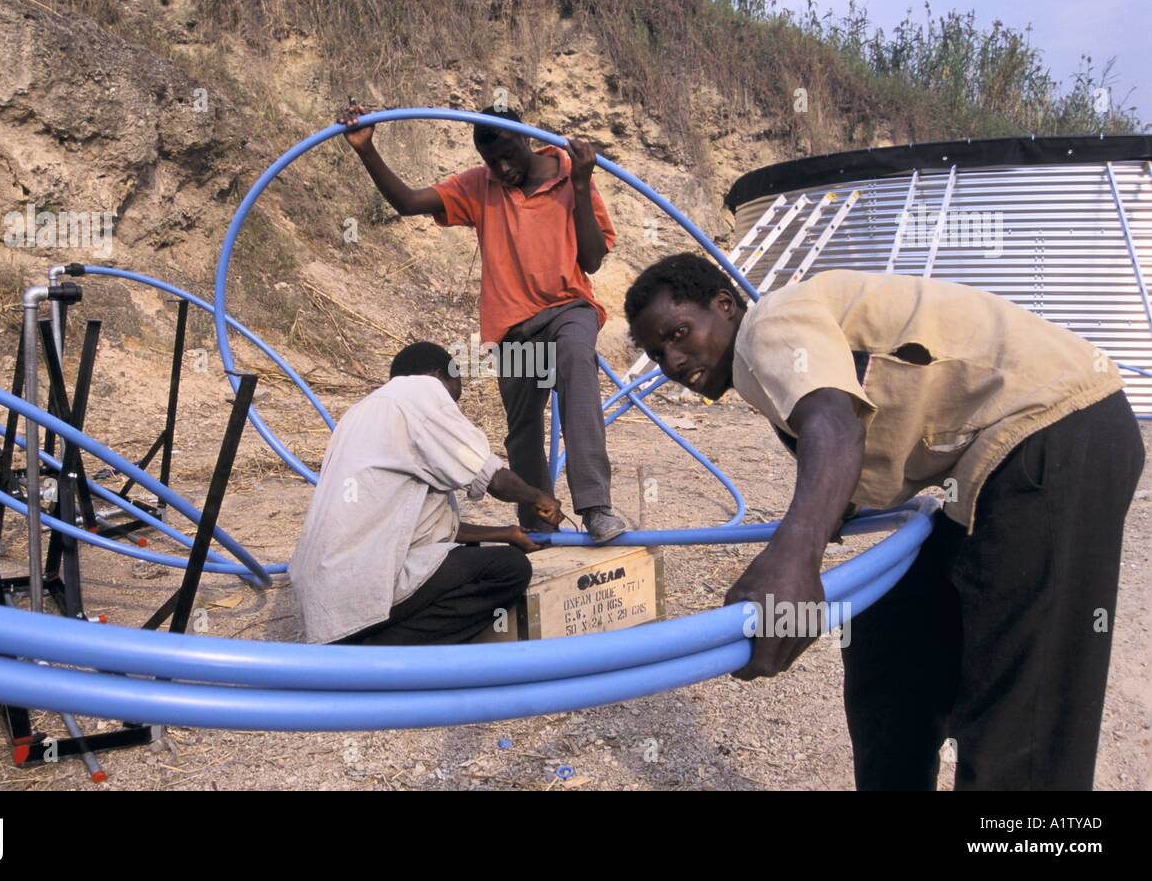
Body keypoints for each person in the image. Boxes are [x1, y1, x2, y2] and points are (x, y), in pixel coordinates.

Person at [624, 253, 1143, 790]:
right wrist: (818, 531)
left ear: (724, 306)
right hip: (1003, 456)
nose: (675, 360)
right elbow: (856, 451)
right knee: (891, 631)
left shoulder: (768, 324)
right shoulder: (772, 369)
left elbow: (835, 423)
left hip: (1056, 432)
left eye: (680, 333)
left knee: (1022, 699)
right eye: (660, 353)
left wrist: (794, 558)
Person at [337, 102, 625, 542]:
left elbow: (591, 258)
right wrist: (366, 150)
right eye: (492, 161)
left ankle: (596, 507)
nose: (503, 168)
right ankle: (538, 521)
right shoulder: (478, 185)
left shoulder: (570, 173)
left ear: (525, 139)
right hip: (512, 328)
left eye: (509, 155)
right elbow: (409, 202)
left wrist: (583, 186)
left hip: (568, 309)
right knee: (523, 428)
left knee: (575, 364)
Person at [289, 341, 562, 645]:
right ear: (437, 375)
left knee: (470, 556)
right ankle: (383, 655)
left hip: (324, 599)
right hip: (360, 590)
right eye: (455, 393)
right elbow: (492, 478)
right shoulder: (421, 393)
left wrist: (506, 532)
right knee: (509, 569)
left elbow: (429, 529)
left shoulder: (360, 414)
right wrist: (538, 498)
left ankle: (363, 648)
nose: (453, 407)